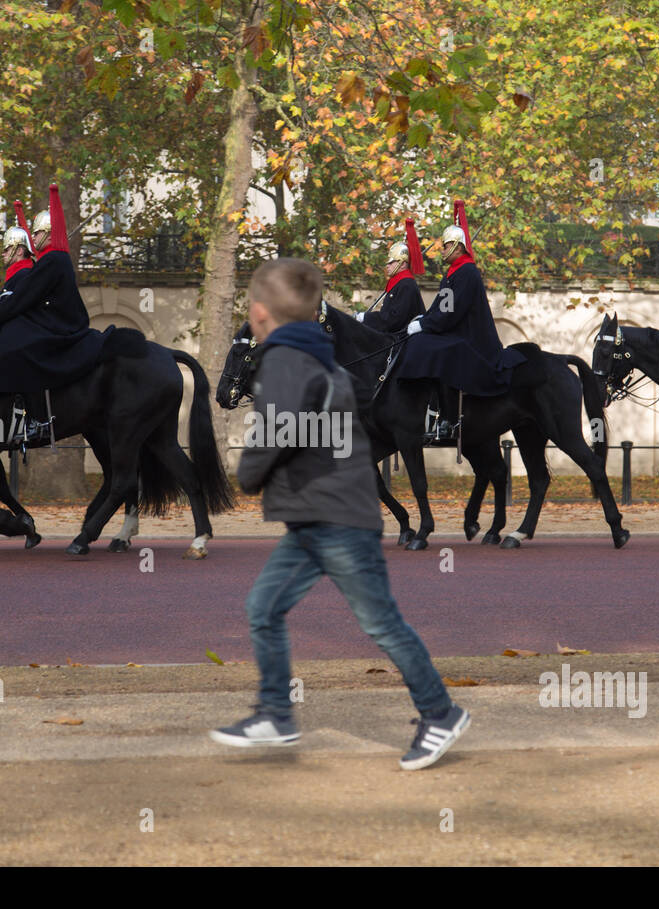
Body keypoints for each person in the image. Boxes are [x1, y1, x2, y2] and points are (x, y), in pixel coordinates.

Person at [209, 257, 471, 771]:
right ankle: (276, 714)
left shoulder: (285, 361)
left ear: (260, 313)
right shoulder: (321, 358)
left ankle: (440, 713)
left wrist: (250, 472)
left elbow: (277, 434)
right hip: (318, 516)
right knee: (264, 609)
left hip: (335, 520)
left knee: (382, 624)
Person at [0, 186, 96, 443]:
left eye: (38, 232)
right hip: (50, 319)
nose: (35, 236)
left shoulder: (53, 261)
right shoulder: (49, 260)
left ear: (49, 234)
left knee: (16, 347)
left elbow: (20, 300)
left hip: (62, 325)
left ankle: (38, 418)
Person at [394, 203, 523, 443]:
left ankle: (448, 419)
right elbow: (441, 308)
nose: (441, 250)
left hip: (470, 338)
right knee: (421, 343)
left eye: (445, 246)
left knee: (434, 351)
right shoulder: (453, 272)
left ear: (456, 246)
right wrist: (424, 319)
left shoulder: (467, 272)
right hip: (456, 331)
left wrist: (426, 325)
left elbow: (451, 313)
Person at [357, 220, 425, 334]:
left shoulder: (406, 284)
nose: (387, 266)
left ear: (402, 264)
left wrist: (366, 318)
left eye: (391, 262)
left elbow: (393, 321)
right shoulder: (399, 283)